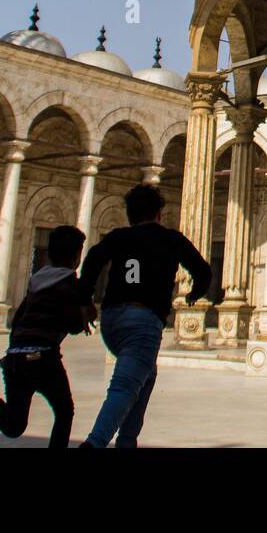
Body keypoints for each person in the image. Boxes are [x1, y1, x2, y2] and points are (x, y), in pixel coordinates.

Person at [78, 184, 211, 448]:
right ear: (159, 213)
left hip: (112, 320)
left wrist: (86, 301)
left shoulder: (119, 237)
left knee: (146, 376)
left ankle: (127, 441)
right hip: (143, 321)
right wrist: (194, 294)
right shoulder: (170, 239)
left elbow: (92, 259)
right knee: (125, 387)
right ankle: (95, 442)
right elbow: (203, 270)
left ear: (129, 214)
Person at [0, 225, 94, 448]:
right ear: (77, 256)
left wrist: (16, 350)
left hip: (15, 357)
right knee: (65, 411)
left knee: (15, 425)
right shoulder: (71, 285)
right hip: (43, 357)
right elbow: (73, 323)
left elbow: (18, 320)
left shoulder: (36, 282)